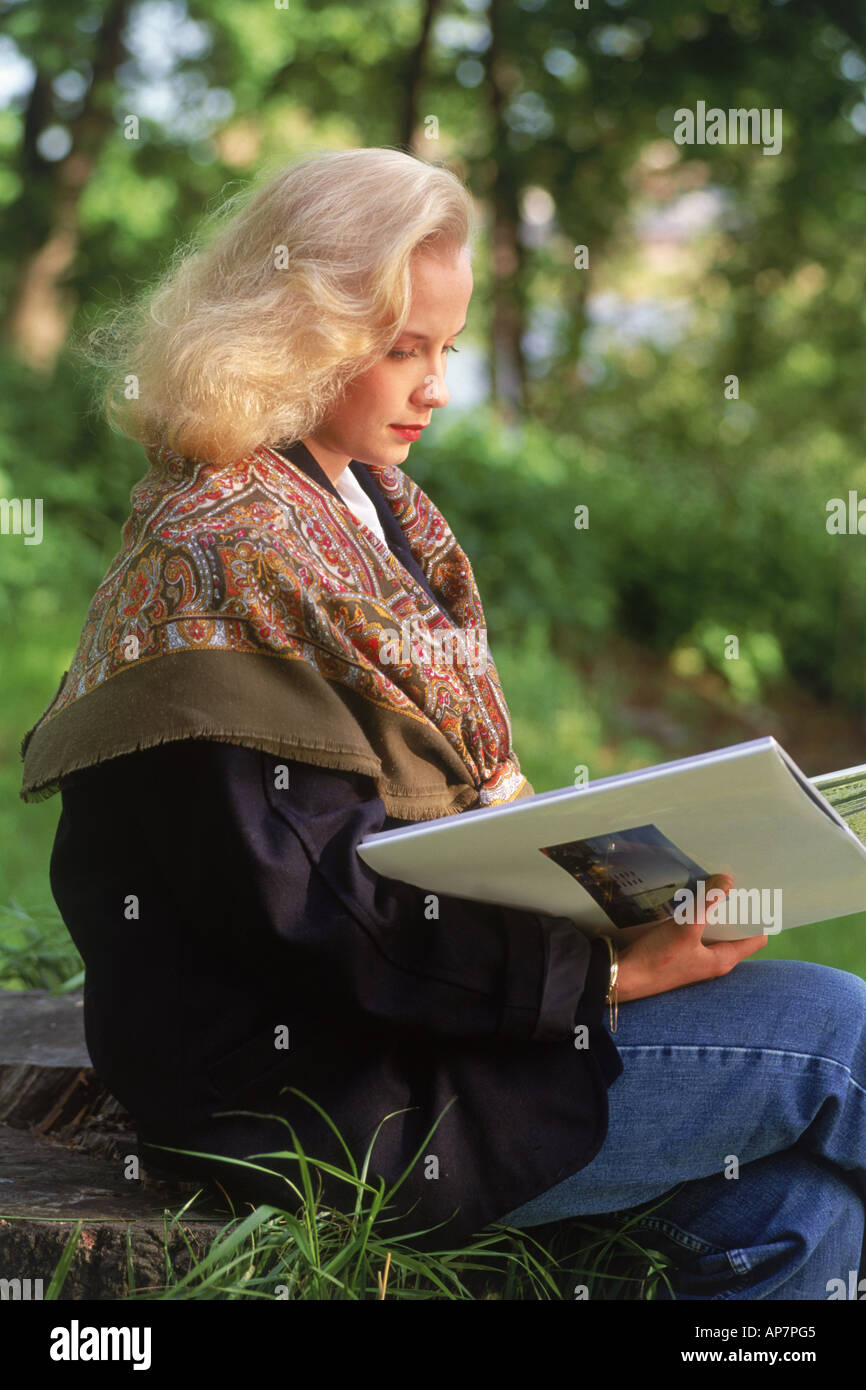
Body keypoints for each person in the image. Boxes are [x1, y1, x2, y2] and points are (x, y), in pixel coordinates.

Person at [20, 147, 866, 1299]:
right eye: (402, 349)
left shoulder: (370, 508)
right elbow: (313, 914)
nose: (437, 387)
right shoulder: (221, 553)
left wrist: (635, 877)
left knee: (790, 1217)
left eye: (448, 347)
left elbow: (445, 819)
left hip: (432, 1026)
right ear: (294, 333)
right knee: (837, 1030)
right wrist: (606, 976)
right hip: (318, 1095)